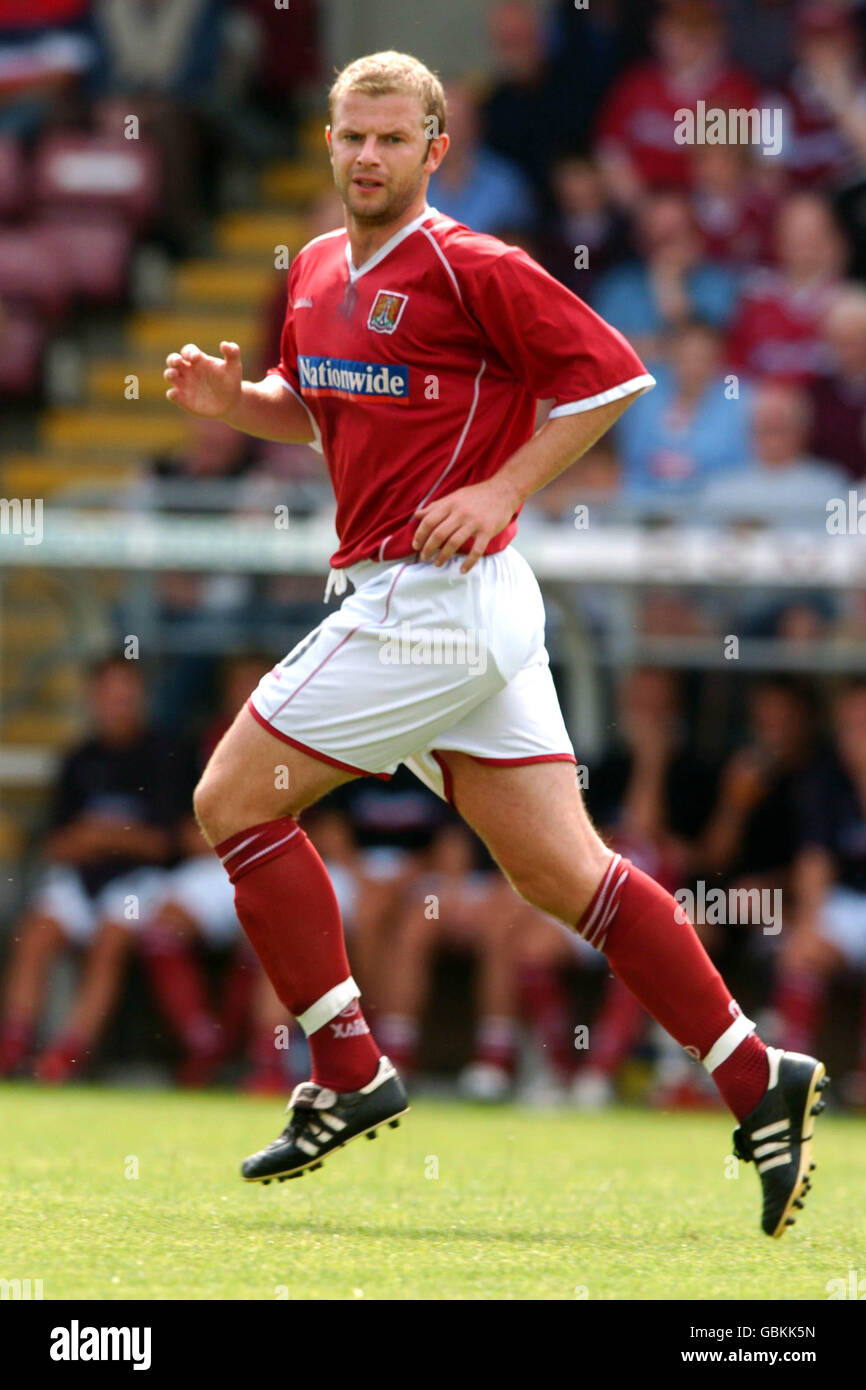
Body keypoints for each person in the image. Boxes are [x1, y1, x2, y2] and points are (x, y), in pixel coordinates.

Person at [164, 51, 827, 1238]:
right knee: (561, 876)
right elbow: (325, 408)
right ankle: (751, 1074)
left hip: (437, 597)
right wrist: (238, 405)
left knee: (230, 800)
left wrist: (501, 487)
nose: (366, 156)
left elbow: (609, 378)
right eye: (349, 136)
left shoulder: (474, 264)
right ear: (328, 143)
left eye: (390, 139)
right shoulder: (316, 266)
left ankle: (351, 1065)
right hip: (442, 606)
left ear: (432, 150)